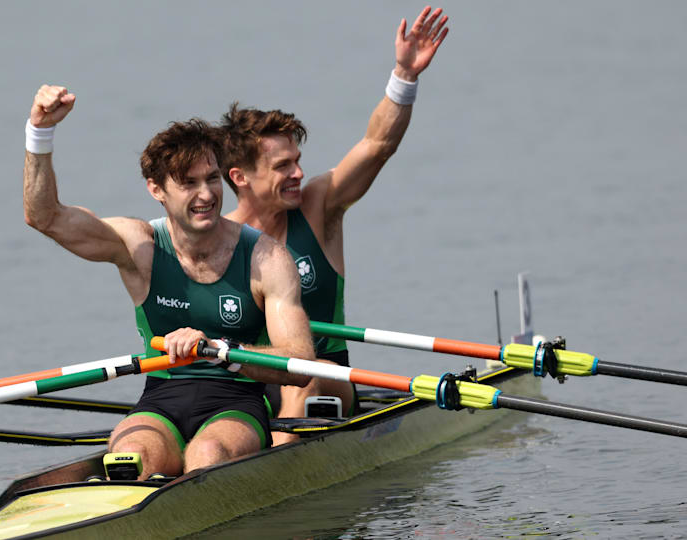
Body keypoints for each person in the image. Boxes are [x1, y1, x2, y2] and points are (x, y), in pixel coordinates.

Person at [23, 84, 315, 478]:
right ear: (156, 189)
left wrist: (220, 349)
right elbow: (46, 218)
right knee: (129, 455)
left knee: (209, 453)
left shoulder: (267, 258)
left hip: (237, 402)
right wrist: (39, 132)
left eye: (211, 179)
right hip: (161, 397)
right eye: (189, 183)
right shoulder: (138, 246)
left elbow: (301, 364)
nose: (206, 195)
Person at [218, 6, 448, 445]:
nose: (299, 174)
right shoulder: (215, 238)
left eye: (298, 161)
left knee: (304, 373)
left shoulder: (318, 206)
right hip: (245, 386)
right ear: (240, 178)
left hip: (326, 379)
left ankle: (279, 470)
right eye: (283, 166)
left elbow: (377, 145)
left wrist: (404, 76)